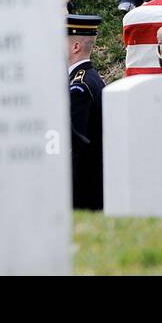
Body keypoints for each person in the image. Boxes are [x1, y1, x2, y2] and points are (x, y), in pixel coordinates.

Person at [67, 13, 105, 211]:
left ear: (75, 47)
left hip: (83, 184)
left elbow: (74, 143)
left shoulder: (79, 87)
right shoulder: (91, 78)